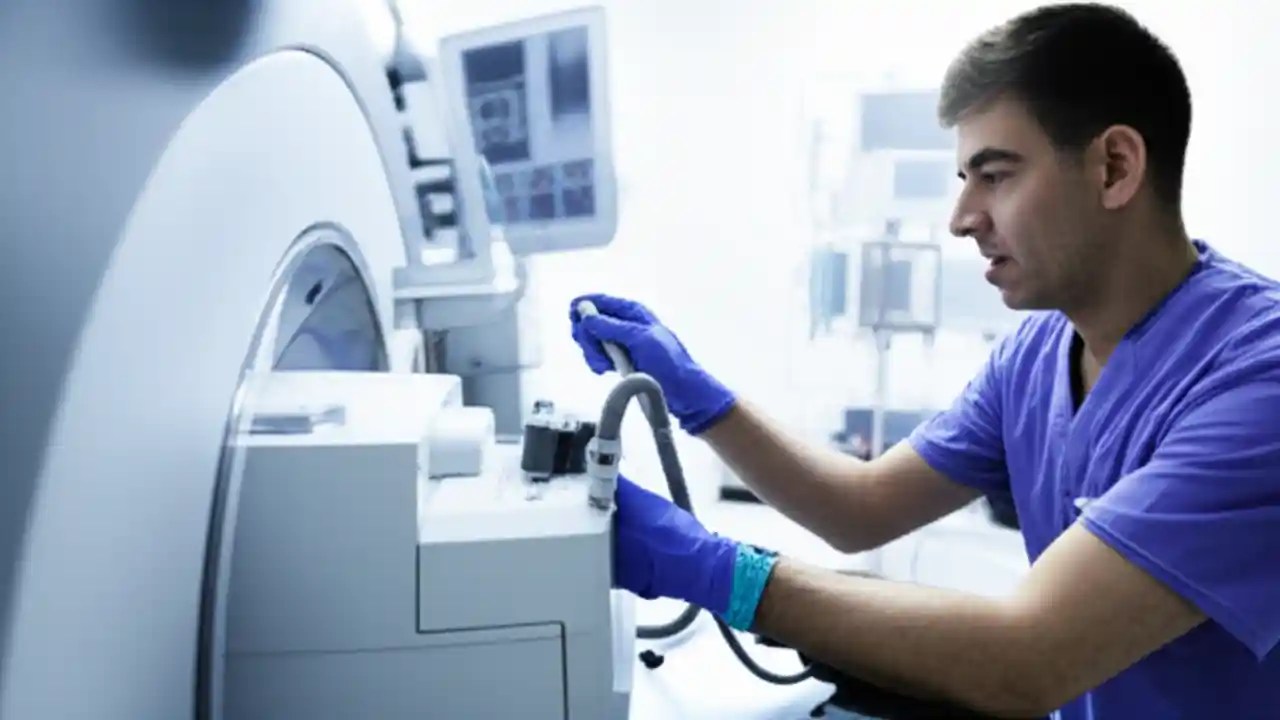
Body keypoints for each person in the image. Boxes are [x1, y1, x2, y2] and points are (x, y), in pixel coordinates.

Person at [568, 4, 1280, 718]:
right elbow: (859, 507)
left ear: (1114, 167)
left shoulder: (1260, 377)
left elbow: (1029, 659)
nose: (962, 217)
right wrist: (701, 400)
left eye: (995, 175)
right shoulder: (1034, 357)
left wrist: (720, 573)